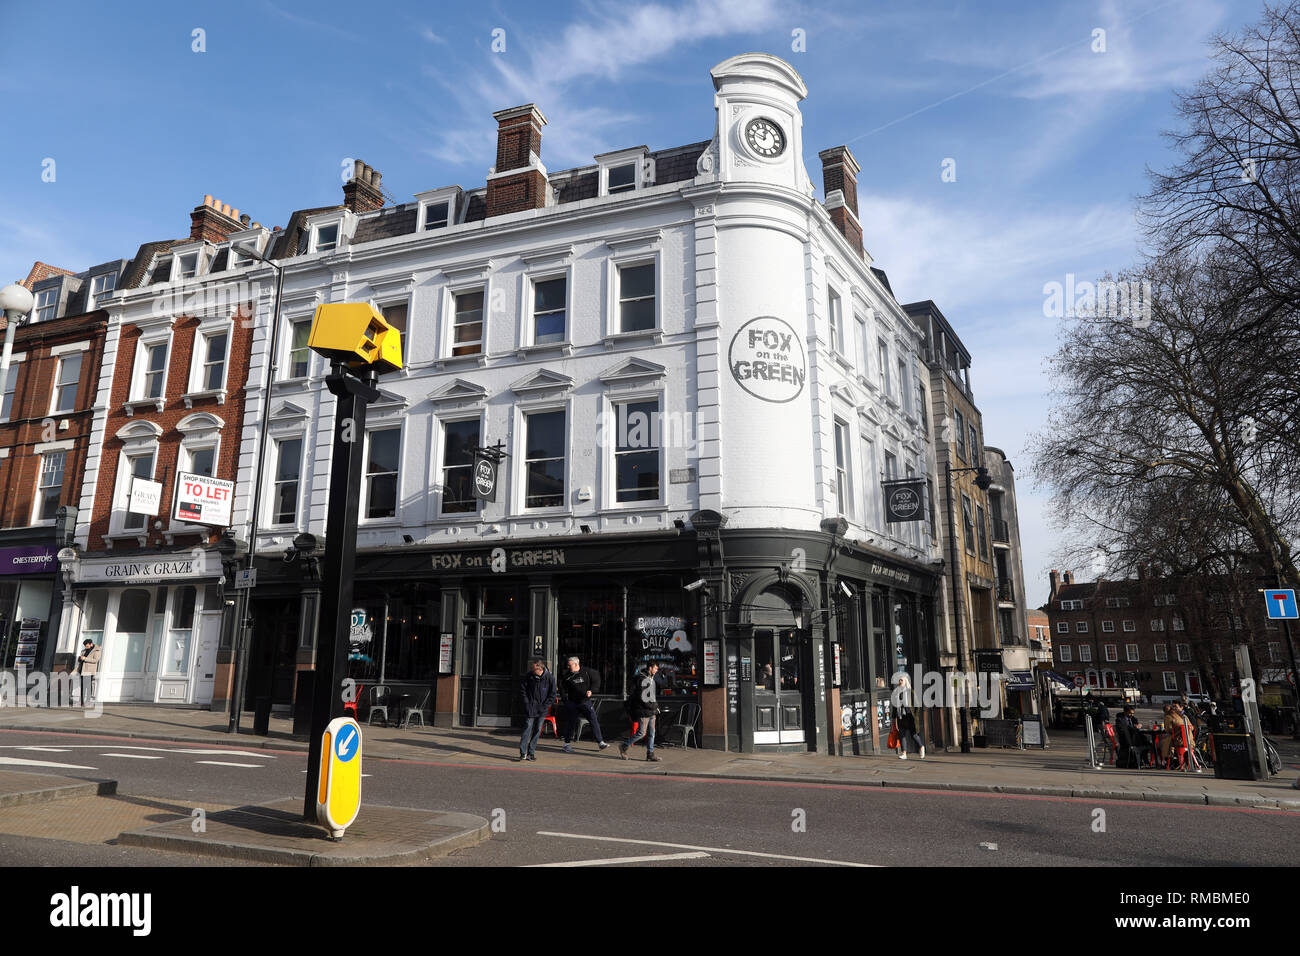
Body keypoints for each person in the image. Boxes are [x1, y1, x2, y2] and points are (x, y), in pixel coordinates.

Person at [559, 656, 609, 752]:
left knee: (593, 720)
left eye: (570, 665)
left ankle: (600, 742)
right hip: (573, 703)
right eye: (568, 665)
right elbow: (561, 688)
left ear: (576, 664)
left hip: (585, 702)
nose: (568, 667)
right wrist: (566, 701)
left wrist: (592, 691)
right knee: (571, 723)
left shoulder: (587, 672)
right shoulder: (567, 675)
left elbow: (596, 680)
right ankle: (566, 744)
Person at [620, 662, 661, 762]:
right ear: (650, 668)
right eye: (655, 668)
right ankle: (624, 746)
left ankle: (650, 754)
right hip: (644, 710)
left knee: (652, 733)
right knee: (641, 733)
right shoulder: (642, 679)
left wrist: (655, 707)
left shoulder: (650, 678)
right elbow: (643, 698)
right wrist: (654, 706)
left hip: (651, 710)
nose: (657, 670)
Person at [517, 659, 556, 761]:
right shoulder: (529, 676)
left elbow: (552, 695)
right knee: (527, 729)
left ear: (540, 669)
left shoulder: (550, 678)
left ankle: (531, 752)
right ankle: (523, 752)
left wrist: (545, 706)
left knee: (538, 730)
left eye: (534, 669)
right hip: (530, 707)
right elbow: (523, 690)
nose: (532, 670)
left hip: (542, 709)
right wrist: (526, 702)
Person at [75, 639, 101, 705]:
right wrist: (80, 658)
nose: (86, 647)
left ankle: (88, 701)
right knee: (82, 686)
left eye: (87, 646)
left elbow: (96, 660)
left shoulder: (97, 650)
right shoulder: (84, 651)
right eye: (85, 646)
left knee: (88, 686)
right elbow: (81, 660)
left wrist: (85, 658)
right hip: (82, 670)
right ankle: (80, 701)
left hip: (89, 671)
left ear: (91, 644)